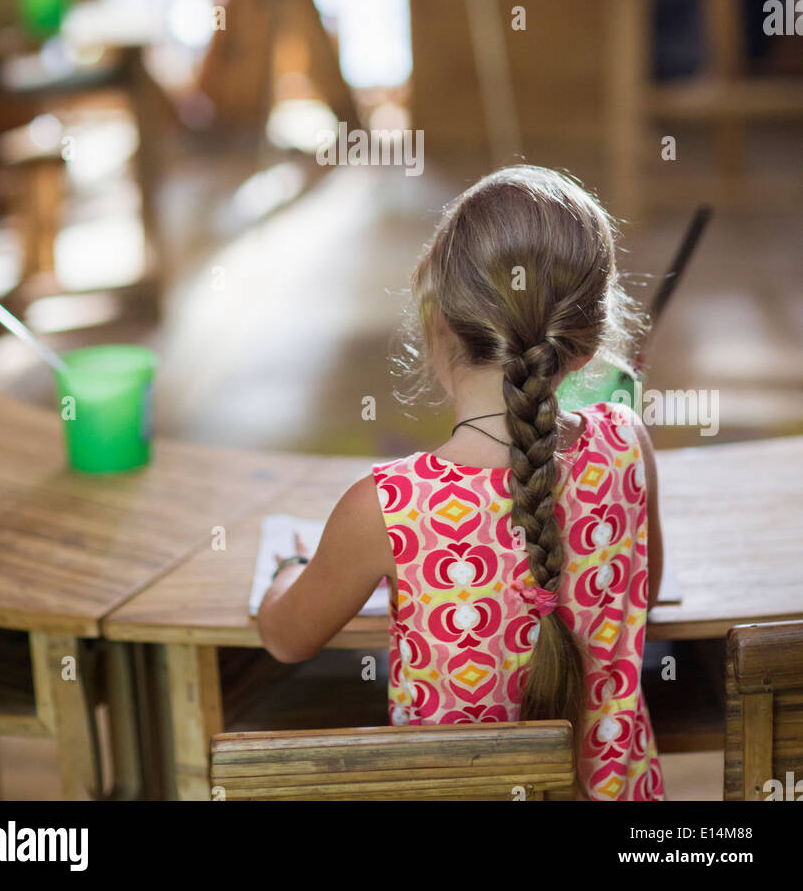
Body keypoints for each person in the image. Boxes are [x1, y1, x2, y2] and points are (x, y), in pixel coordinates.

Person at [258, 165, 664, 800]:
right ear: (584, 347)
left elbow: (286, 639)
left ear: (436, 322)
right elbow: (644, 594)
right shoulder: (626, 442)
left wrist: (287, 567)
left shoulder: (390, 509)